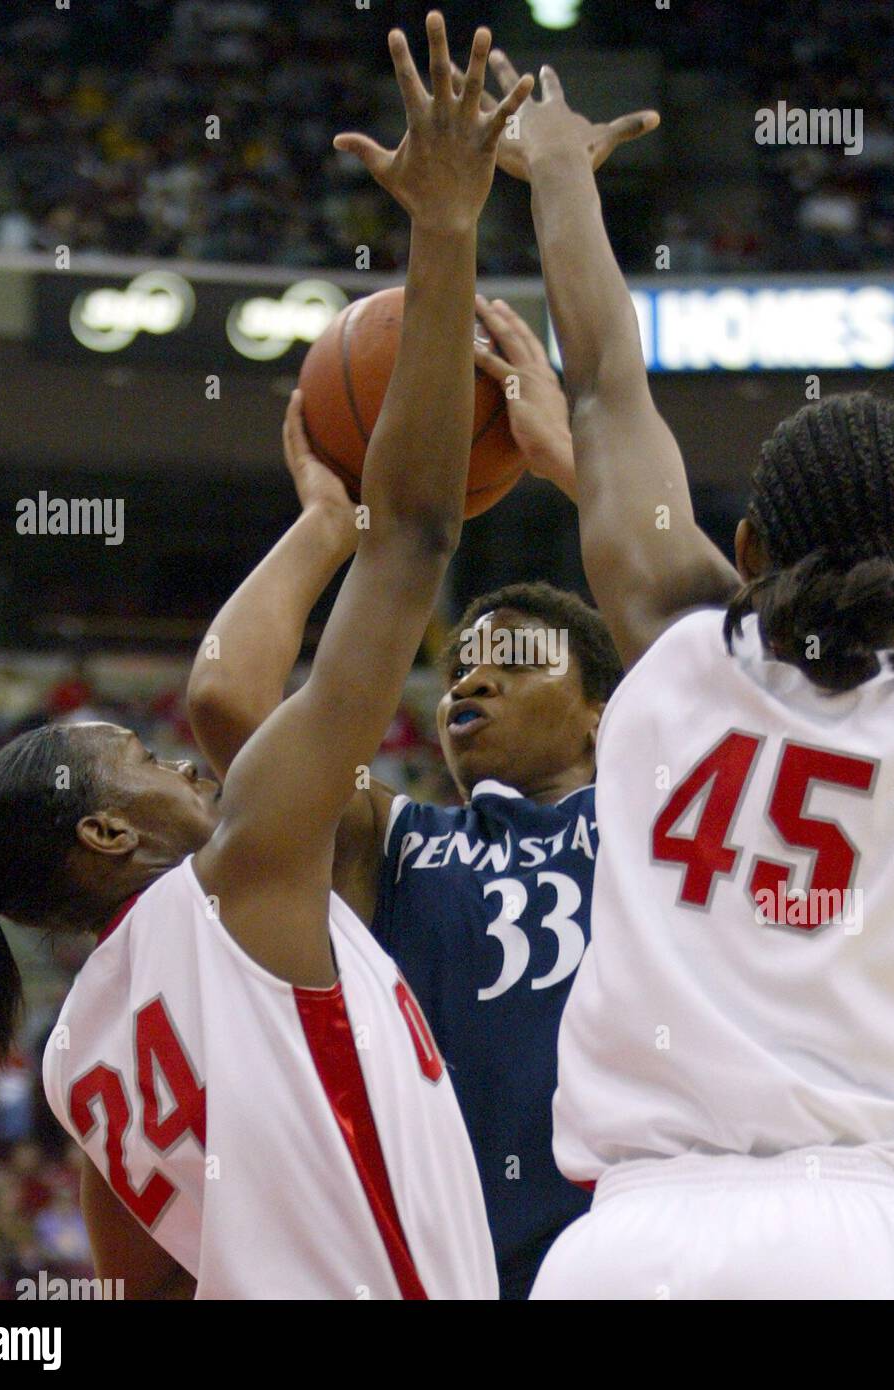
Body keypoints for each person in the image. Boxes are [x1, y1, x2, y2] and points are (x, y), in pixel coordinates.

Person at [473, 51, 894, 1299]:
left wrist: (557, 172)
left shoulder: (663, 629)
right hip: (867, 1243)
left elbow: (606, 381)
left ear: (752, 547)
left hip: (623, 1247)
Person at [0, 13, 531, 1300]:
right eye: (138, 760)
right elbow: (414, 535)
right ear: (102, 837)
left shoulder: (85, 1057)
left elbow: (156, 1298)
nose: (186, 767)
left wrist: (318, 522)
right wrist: (445, 233)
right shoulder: (245, 876)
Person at [187, 301, 626, 1299]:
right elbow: (227, 701)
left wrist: (569, 463)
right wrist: (323, 530)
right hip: (444, 1275)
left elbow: (739, 657)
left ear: (605, 713)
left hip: (639, 1260)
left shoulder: (660, 806)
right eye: (460, 667)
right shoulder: (399, 841)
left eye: (512, 657)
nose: (468, 681)